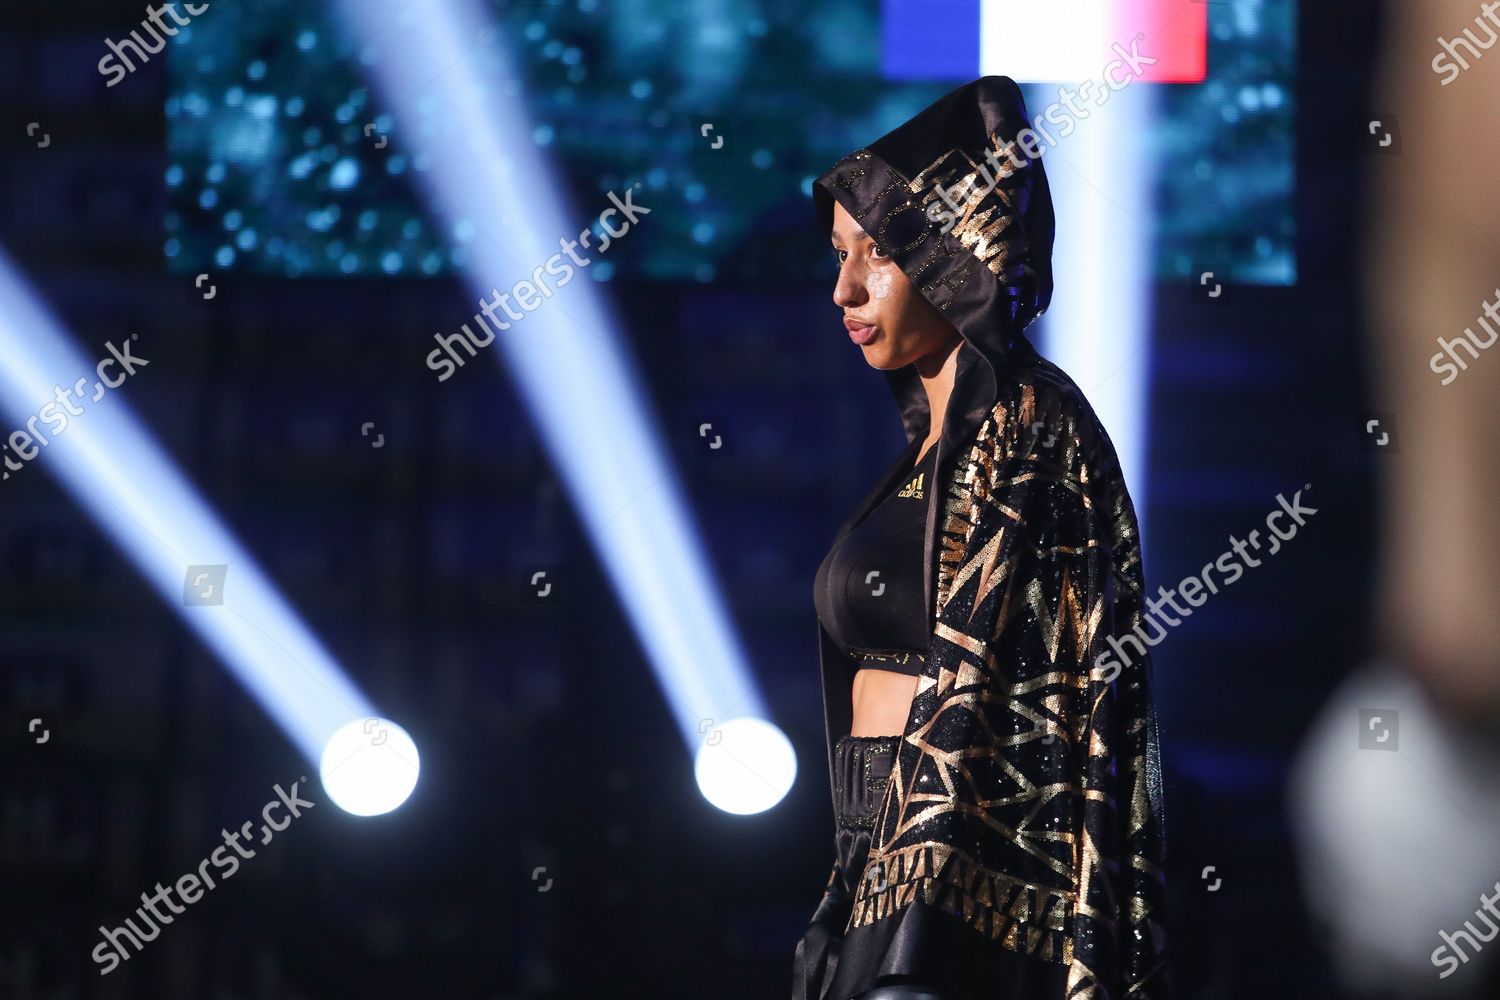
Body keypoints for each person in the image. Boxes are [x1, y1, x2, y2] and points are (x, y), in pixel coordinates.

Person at [790, 76, 1171, 1000]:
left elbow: (1003, 699)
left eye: (876, 253)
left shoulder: (1032, 429)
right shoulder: (924, 455)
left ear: (952, 249)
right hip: (870, 862)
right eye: (839, 254)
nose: (843, 286)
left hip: (958, 898)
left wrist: (912, 938)